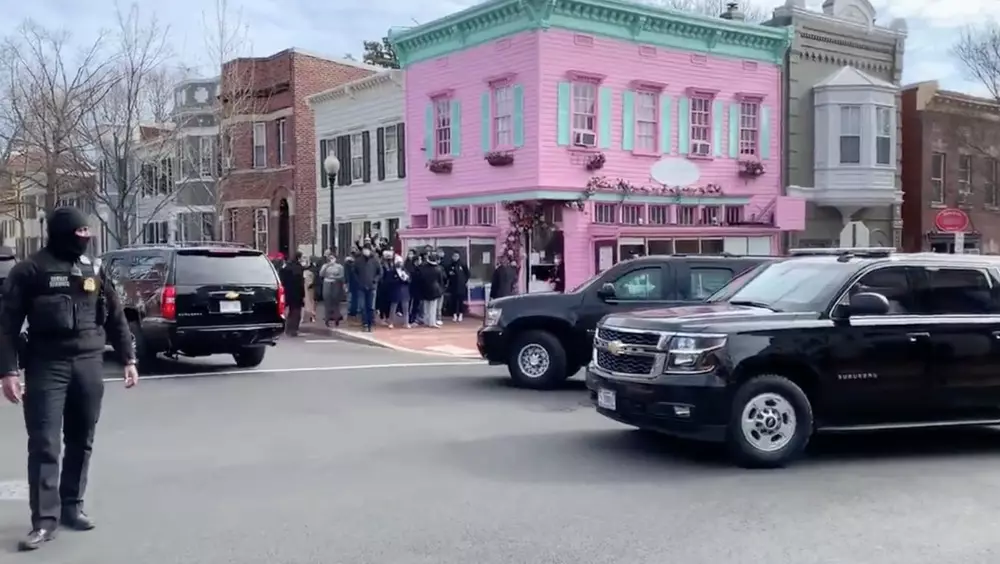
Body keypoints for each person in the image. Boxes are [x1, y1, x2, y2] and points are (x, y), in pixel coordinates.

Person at [0, 207, 137, 552]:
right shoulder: (29, 270)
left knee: (81, 438)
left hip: (89, 362)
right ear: (61, 234)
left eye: (87, 236)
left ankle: (71, 507)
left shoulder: (94, 267)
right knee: (44, 443)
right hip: (46, 364)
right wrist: (8, 371)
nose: (84, 241)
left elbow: (116, 316)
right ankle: (44, 521)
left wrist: (128, 358)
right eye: (78, 235)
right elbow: (7, 326)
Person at [352, 244, 381, 332]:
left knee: (370, 306)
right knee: (362, 306)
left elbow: (379, 272)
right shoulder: (358, 261)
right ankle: (365, 323)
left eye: (367, 250)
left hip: (372, 287)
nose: (366, 251)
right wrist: (358, 281)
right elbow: (354, 272)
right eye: (364, 250)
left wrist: (375, 280)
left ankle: (370, 324)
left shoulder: (375, 260)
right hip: (361, 287)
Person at [418, 251, 446, 328]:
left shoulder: (423, 268)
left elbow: (421, 278)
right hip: (434, 289)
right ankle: (432, 322)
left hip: (425, 288)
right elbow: (441, 280)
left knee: (426, 306)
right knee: (433, 307)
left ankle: (426, 321)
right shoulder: (438, 269)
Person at [281, 252, 306, 337]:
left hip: (288, 291)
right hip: (297, 292)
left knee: (290, 311)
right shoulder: (299, 268)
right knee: (296, 311)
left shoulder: (287, 267)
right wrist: (303, 294)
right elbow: (301, 283)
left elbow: (282, 279)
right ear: (299, 258)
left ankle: (288, 328)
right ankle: (293, 329)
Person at [319, 255, 345, 327]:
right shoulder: (325, 266)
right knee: (327, 301)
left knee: (335, 302)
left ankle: (336, 319)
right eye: (330, 258)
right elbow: (321, 274)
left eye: (333, 258)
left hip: (336, 283)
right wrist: (326, 267)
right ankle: (327, 319)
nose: (331, 260)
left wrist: (334, 277)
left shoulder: (339, 267)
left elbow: (342, 276)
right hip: (327, 283)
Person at [446, 252, 470, 322]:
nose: (455, 257)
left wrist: (464, 281)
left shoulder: (463, 264)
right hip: (453, 287)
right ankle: (454, 315)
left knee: (461, 301)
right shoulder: (450, 266)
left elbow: (468, 274)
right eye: (454, 256)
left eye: (456, 256)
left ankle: (461, 315)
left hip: (461, 287)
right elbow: (447, 275)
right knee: (453, 301)